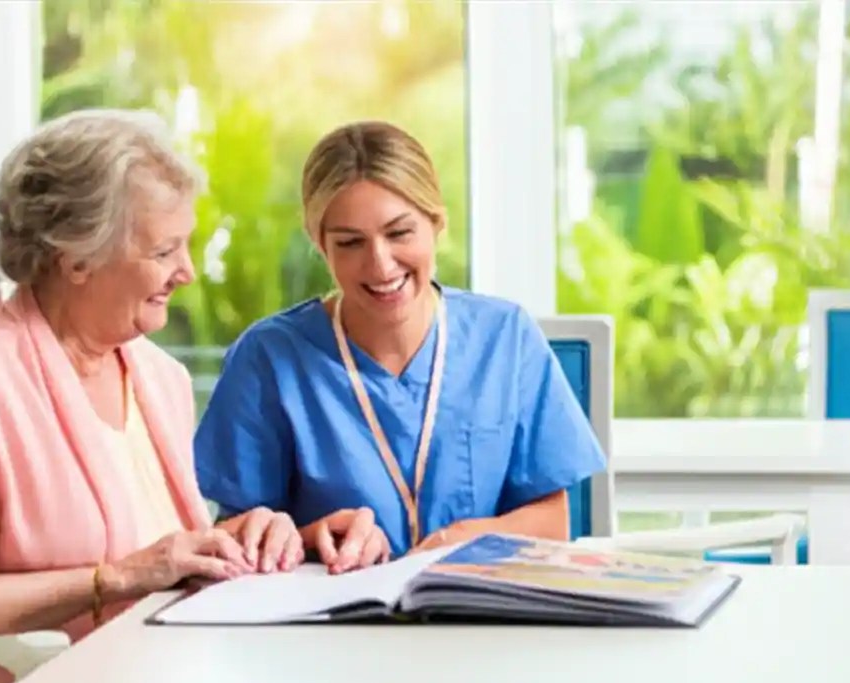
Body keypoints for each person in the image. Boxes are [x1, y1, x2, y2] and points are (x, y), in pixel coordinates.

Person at [0, 109, 303, 683]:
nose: (186, 272)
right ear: (75, 259)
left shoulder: (159, 378)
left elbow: (153, 550)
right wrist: (115, 579)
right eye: (164, 250)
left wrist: (234, 544)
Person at [193, 120, 606, 574]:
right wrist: (314, 538)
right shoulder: (269, 358)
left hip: (479, 615)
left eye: (399, 233)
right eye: (350, 243)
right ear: (319, 244)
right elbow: (235, 537)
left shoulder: (505, 338)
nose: (380, 264)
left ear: (436, 223)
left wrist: (463, 539)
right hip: (328, 626)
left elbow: (553, 519)